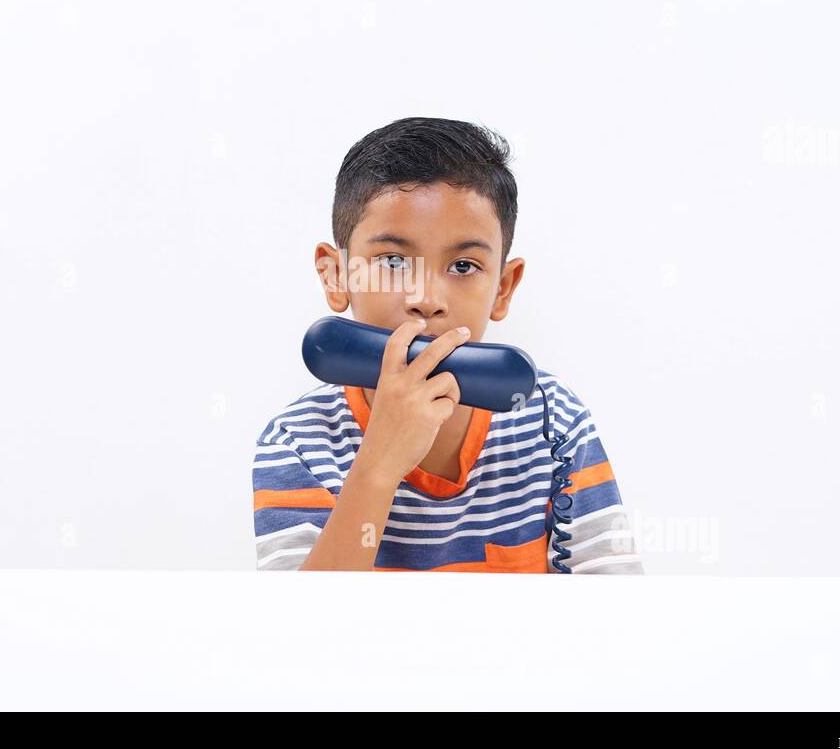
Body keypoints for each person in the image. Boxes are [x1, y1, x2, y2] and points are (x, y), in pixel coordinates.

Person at [252, 117, 644, 573]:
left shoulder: (553, 421)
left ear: (503, 288)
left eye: (462, 266)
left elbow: (620, 616)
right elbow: (296, 635)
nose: (427, 300)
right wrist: (378, 467)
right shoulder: (298, 441)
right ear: (337, 276)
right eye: (394, 261)